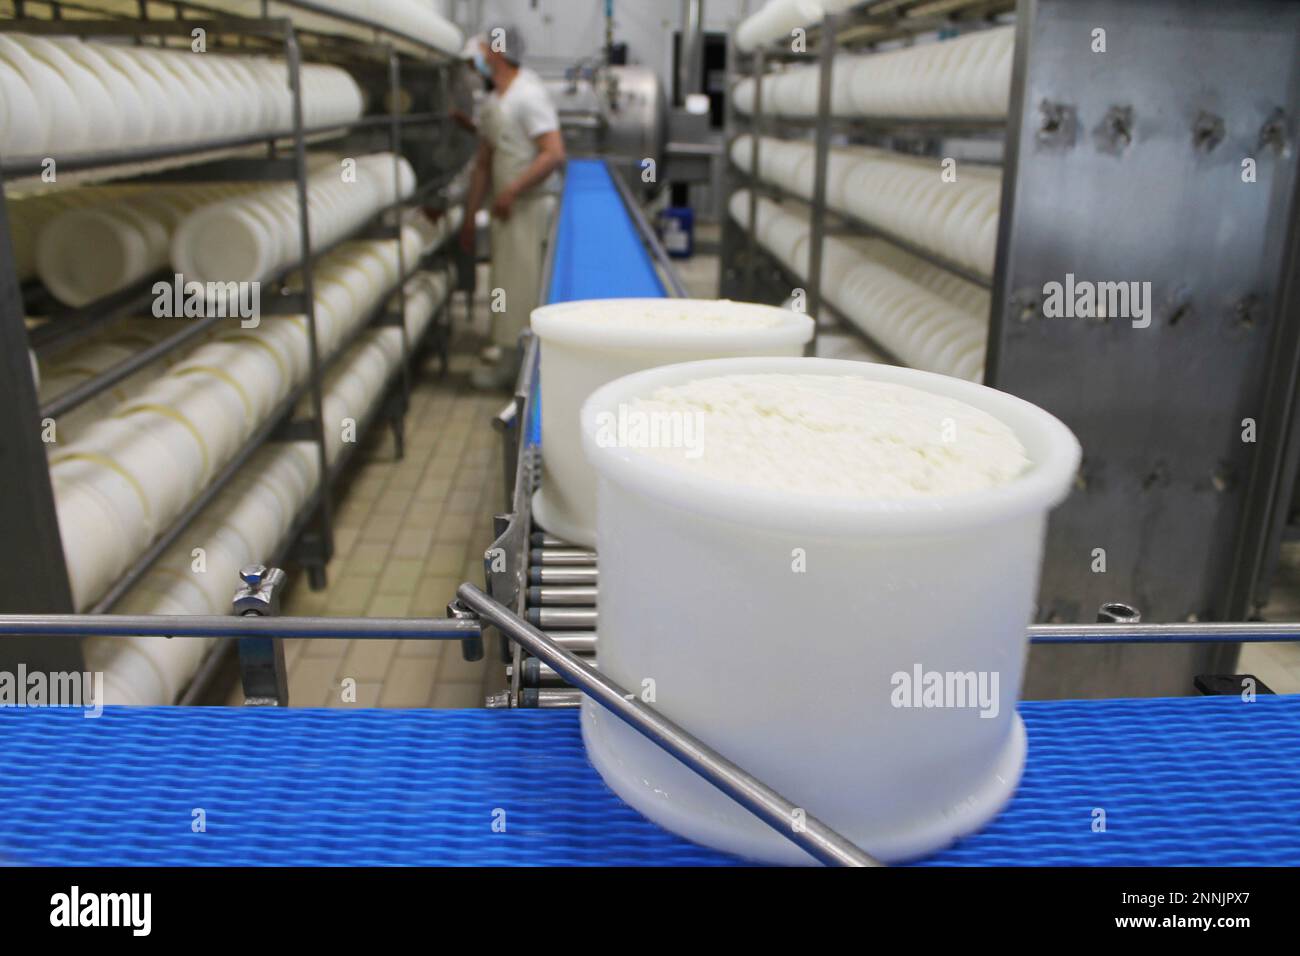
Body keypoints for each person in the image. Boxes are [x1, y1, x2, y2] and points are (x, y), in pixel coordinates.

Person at [459, 26, 566, 389]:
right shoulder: (494, 101)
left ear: (499, 53)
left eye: (484, 49)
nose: (479, 56)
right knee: (503, 286)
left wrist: (512, 191)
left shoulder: (528, 95)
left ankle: (524, 366)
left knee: (524, 288)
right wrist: (470, 217)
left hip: (529, 209)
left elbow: (553, 153)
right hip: (507, 212)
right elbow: (484, 164)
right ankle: (507, 355)